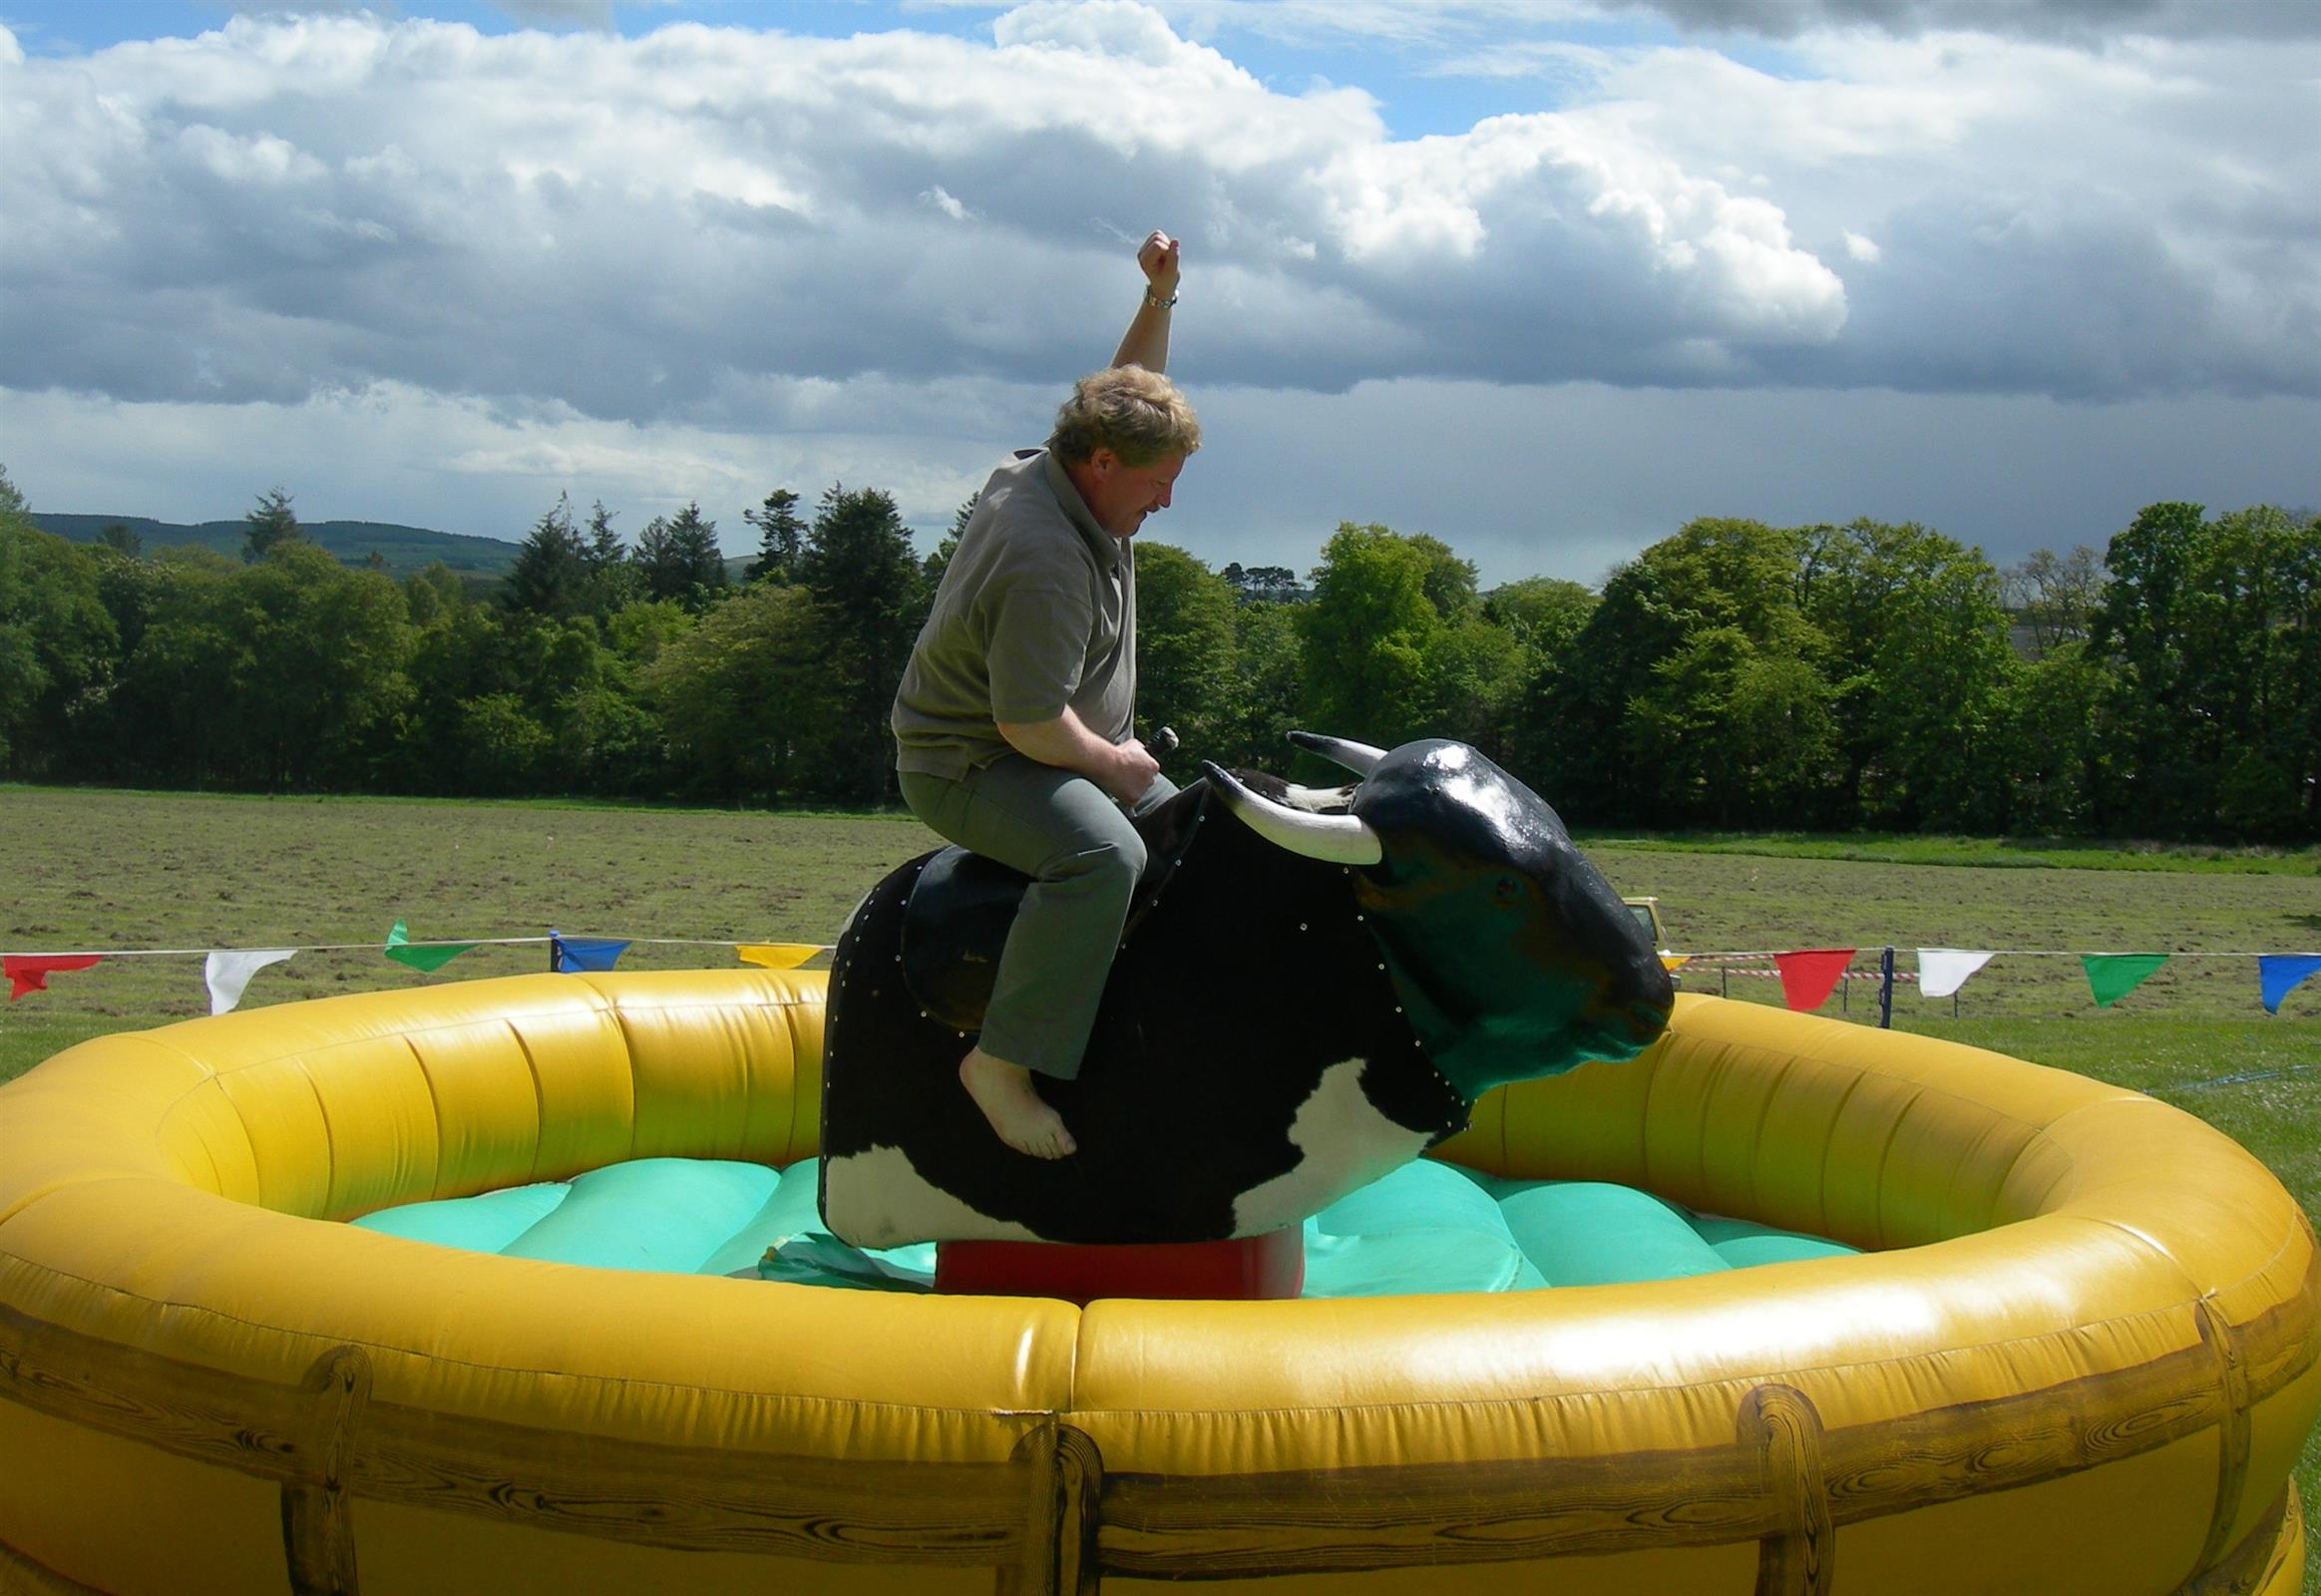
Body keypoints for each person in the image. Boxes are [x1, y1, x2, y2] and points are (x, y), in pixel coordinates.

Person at [890, 229, 1199, 1159]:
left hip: (1045, 741)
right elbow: (1026, 723)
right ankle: (1003, 1064)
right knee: (1103, 856)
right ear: (1101, 466)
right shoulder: (1043, 557)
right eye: (1159, 484)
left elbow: (1121, 397)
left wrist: (1159, 298)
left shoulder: (1072, 465)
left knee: (1199, 852)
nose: (1166, 503)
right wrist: (1114, 764)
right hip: (973, 761)